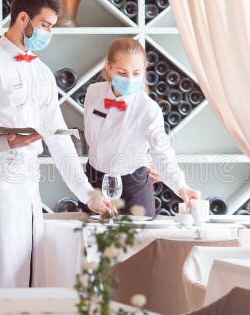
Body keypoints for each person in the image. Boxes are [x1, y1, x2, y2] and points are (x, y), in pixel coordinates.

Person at [0, 0, 110, 288]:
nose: (48, 34)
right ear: (23, 19)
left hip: (29, 186)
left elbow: (58, 139)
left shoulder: (42, 73)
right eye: (44, 25)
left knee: (27, 278)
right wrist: (5, 139)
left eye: (52, 28)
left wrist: (88, 195)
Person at [83, 38, 200, 216]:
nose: (129, 79)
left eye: (136, 73)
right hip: (93, 184)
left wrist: (181, 186)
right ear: (109, 68)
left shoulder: (149, 109)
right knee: (89, 242)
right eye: (122, 72)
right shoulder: (93, 92)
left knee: (138, 243)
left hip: (132, 187)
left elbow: (162, 152)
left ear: (144, 71)